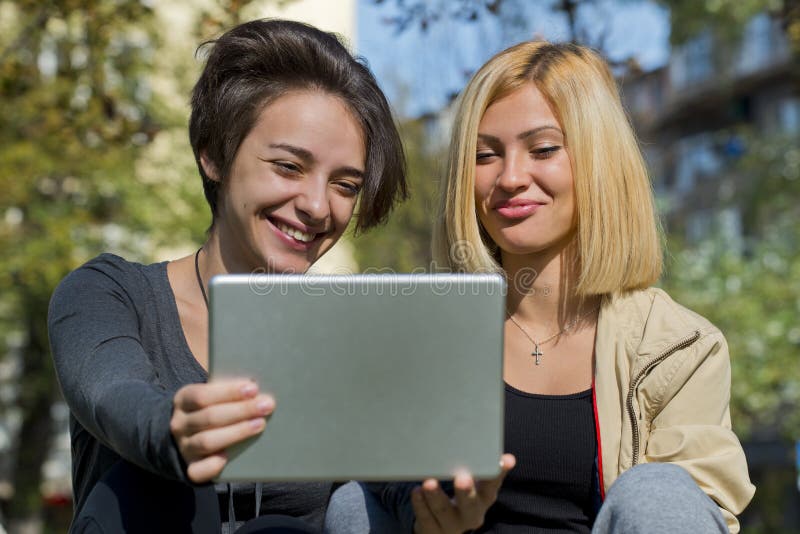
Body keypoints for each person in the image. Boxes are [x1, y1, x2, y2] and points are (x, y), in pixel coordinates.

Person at [360, 40, 755, 533]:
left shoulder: (680, 348)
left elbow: (690, 510)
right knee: (354, 504)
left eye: (543, 149)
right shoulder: (421, 333)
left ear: (598, 161)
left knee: (659, 490)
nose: (509, 177)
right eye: (485, 155)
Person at [48, 18, 410, 533]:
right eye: (288, 167)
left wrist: (433, 508)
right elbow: (112, 394)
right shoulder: (111, 294)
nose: (316, 205)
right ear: (215, 153)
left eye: (345, 185)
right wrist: (175, 430)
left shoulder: (346, 341)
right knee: (150, 490)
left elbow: (381, 483)